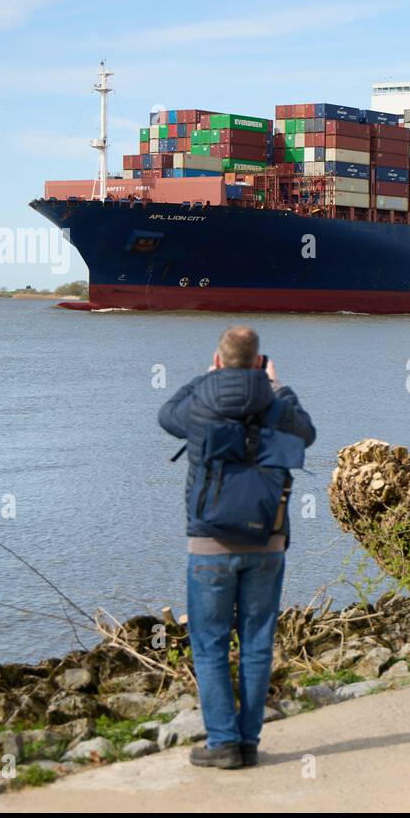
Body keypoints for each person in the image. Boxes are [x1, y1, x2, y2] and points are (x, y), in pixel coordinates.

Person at [158, 326, 315, 768]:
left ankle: (223, 742)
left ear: (218, 359)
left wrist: (206, 378)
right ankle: (248, 741)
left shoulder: (200, 404)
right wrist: (277, 385)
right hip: (267, 541)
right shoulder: (278, 404)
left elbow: (166, 415)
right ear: (260, 362)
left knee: (209, 644)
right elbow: (307, 433)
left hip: (210, 542)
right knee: (257, 642)